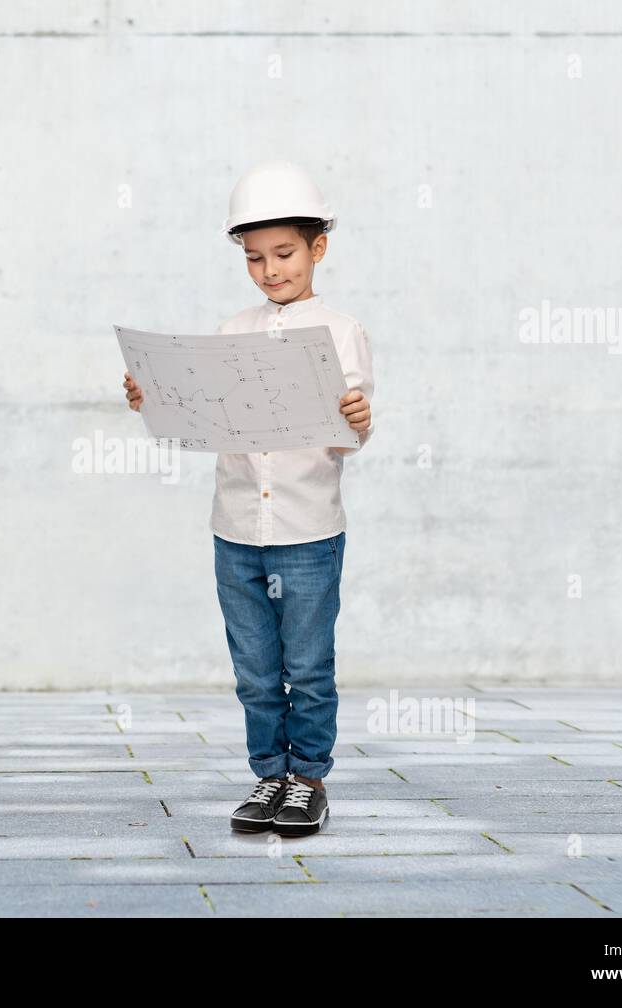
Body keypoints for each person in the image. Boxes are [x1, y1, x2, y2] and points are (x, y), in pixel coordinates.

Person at [122, 161, 375, 837]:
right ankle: (270, 773)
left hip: (308, 531)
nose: (270, 270)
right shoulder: (232, 331)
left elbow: (350, 437)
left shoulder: (342, 332)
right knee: (257, 671)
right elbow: (198, 420)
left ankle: (308, 780)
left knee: (308, 667)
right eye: (255, 258)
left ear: (318, 247)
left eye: (284, 254)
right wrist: (156, 398)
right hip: (235, 529)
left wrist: (357, 418)